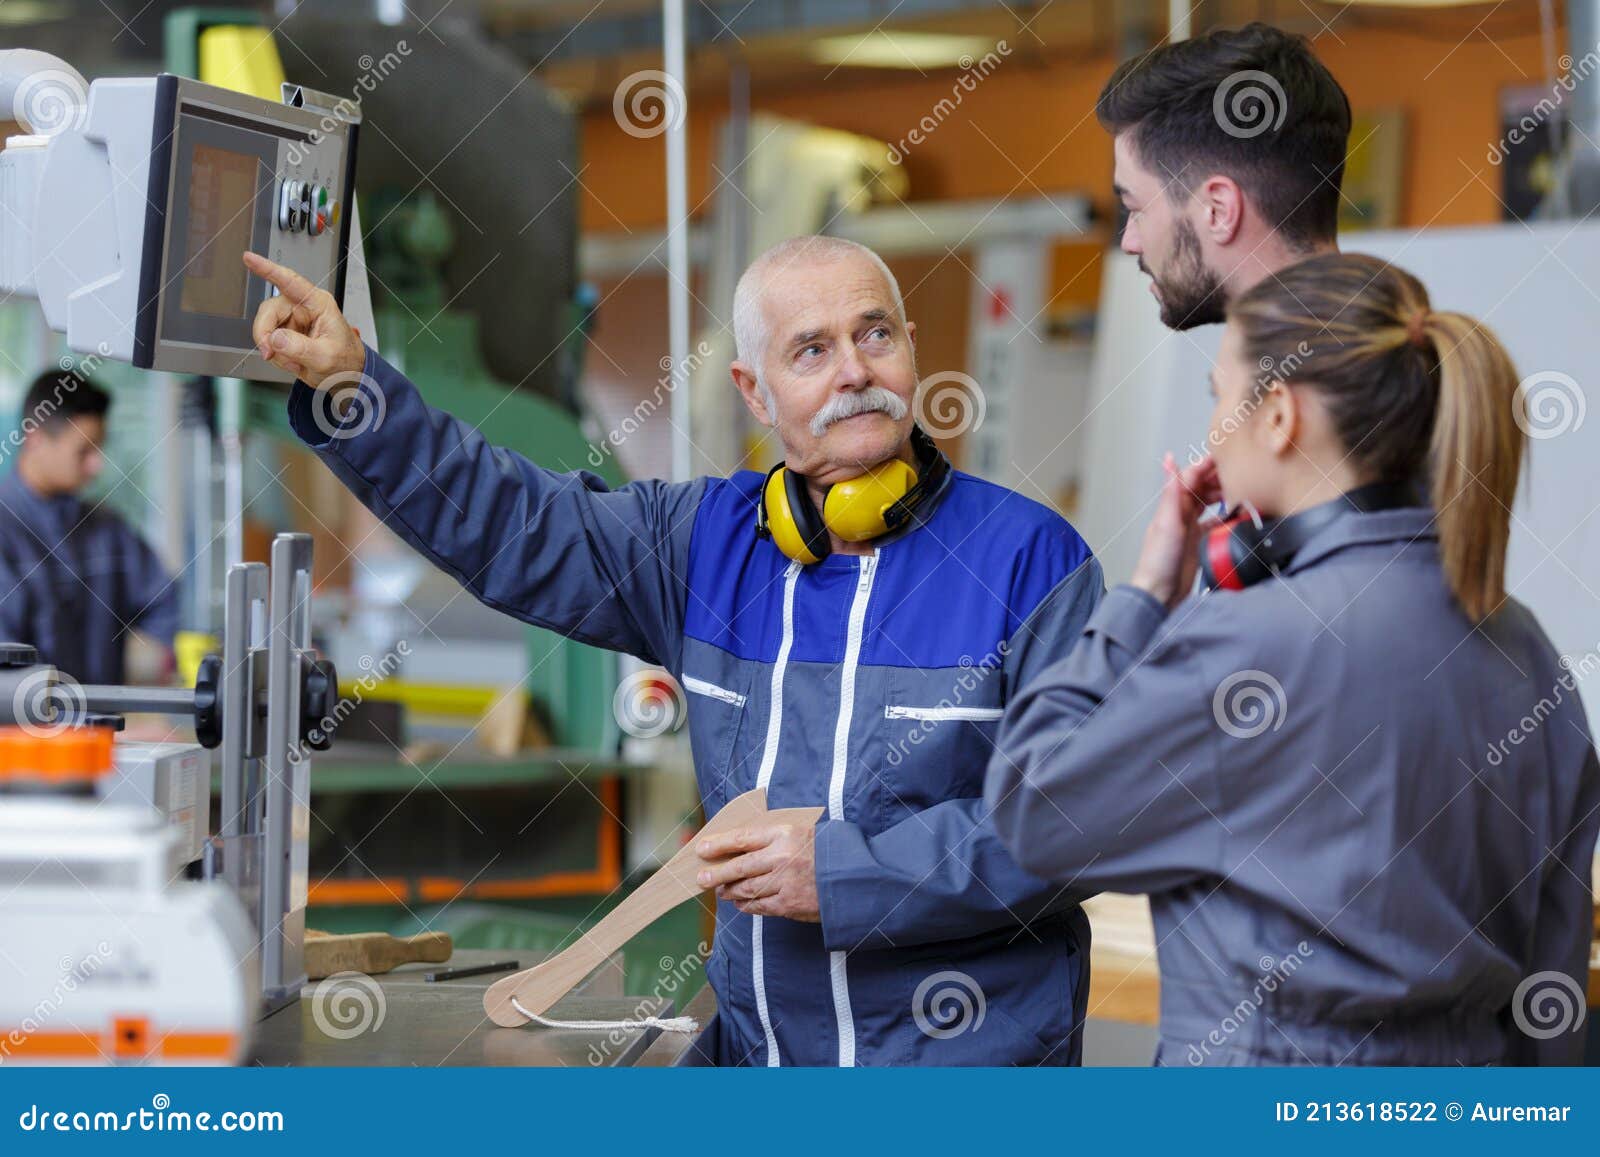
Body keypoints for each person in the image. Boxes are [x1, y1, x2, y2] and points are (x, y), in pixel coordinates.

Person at [242, 236, 1106, 1066]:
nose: (854, 371)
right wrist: (354, 392)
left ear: (910, 348)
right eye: (810, 351)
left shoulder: (1031, 561)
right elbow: (516, 526)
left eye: (874, 334)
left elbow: (1084, 822)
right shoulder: (703, 545)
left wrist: (844, 870)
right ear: (754, 392)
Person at [984, 252, 1600, 1065]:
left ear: (1277, 415)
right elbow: (1552, 968)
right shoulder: (1524, 647)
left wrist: (1142, 597)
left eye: (1218, 400)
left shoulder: (1246, 642)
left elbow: (1033, 810)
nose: (1211, 435)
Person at [1098, 22, 1349, 329]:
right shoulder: (1394, 354)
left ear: (1219, 210)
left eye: (1136, 209)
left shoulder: (1298, 373)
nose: (1130, 242)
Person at [0, 369, 179, 684]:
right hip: (21, 732)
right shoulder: (6, 535)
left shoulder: (108, 531)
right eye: (83, 451)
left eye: (99, 449)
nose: (96, 465)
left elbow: (169, 605)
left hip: (103, 731)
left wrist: (162, 669)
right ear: (36, 438)